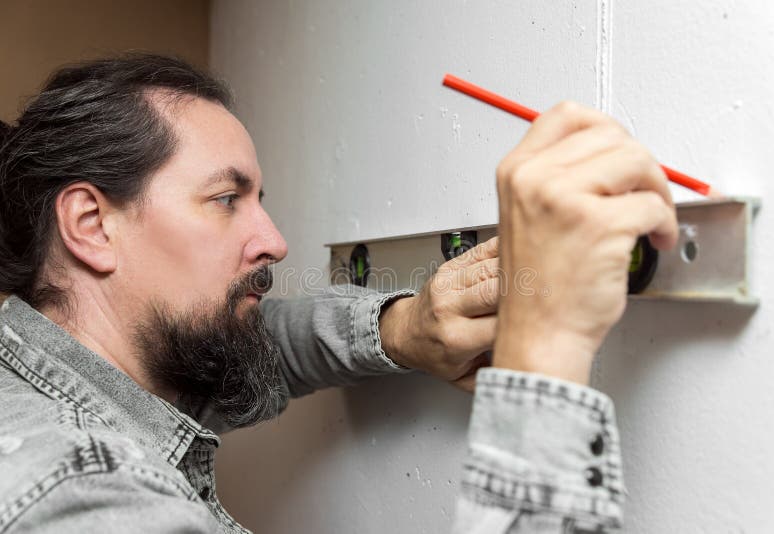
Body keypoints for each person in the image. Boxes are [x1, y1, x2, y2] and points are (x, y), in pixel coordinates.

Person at [0, 54, 677, 533]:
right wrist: (546, 349)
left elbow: (259, 343)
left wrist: (402, 330)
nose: (273, 240)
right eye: (226, 198)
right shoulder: (83, 495)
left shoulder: (62, 370)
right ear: (91, 226)